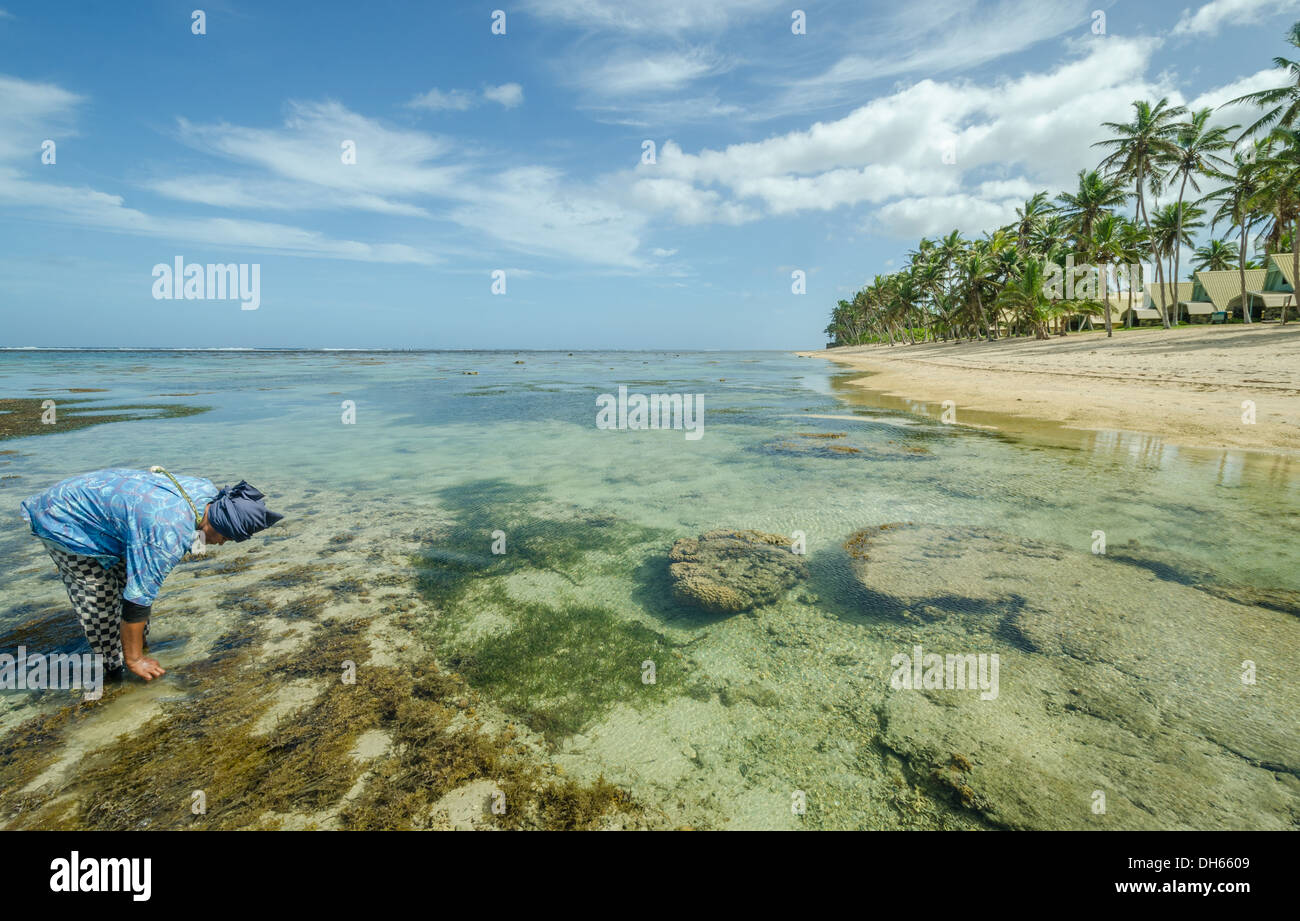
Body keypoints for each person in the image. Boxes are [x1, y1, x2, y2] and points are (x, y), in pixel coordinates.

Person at [19, 468, 283, 681]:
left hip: (100, 499)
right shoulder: (164, 538)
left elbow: (193, 532)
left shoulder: (207, 495)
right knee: (98, 597)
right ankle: (114, 670)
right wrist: (133, 660)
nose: (222, 544)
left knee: (124, 582)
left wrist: (199, 542)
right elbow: (138, 600)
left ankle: (137, 648)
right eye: (225, 537)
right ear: (217, 521)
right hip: (64, 518)